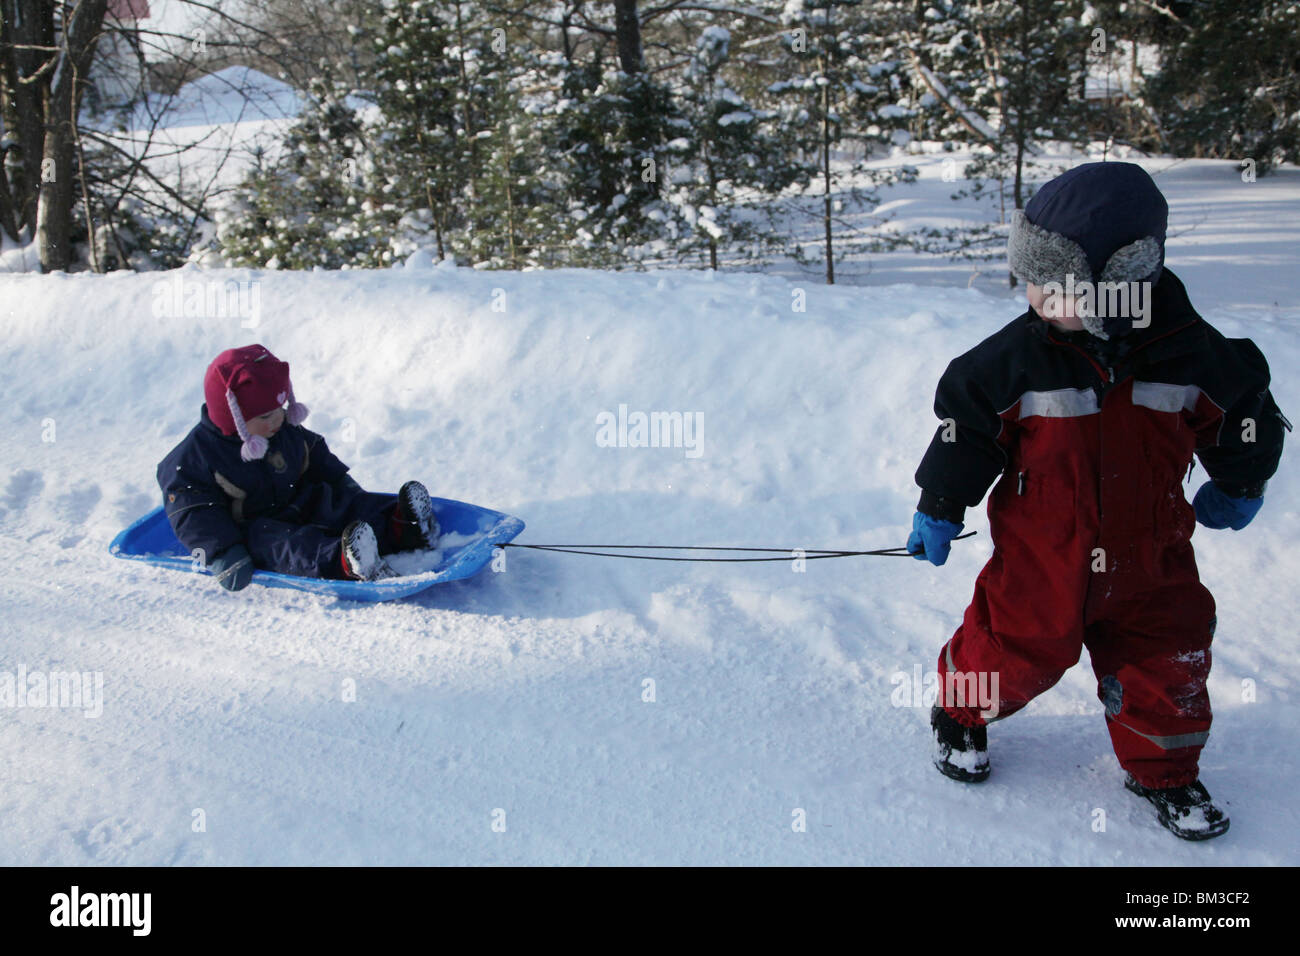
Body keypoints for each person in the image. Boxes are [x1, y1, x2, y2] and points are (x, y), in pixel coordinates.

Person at [907, 161, 1289, 840]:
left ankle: (1165, 769)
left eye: (1051, 284)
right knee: (1009, 645)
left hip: (1152, 552)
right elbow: (967, 424)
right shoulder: (1020, 356)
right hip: (1043, 551)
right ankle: (960, 714)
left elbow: (1245, 412)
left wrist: (1242, 480)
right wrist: (941, 500)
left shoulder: (1191, 354)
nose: (1032, 295)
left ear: (1119, 287)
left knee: (1169, 659)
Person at [157, 344, 440, 590]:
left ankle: (402, 526)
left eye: (282, 408)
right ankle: (344, 561)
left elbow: (311, 451)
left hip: (298, 500)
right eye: (267, 415)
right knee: (288, 545)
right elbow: (193, 510)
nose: (278, 420)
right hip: (252, 525)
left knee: (341, 504)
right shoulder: (196, 457)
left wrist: (342, 484)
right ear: (233, 416)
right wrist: (223, 553)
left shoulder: (278, 429)